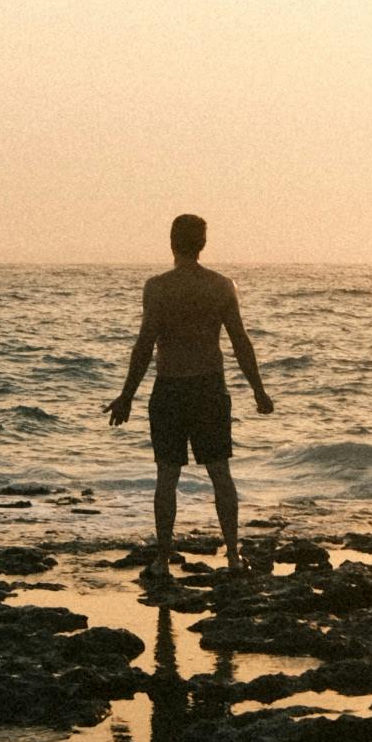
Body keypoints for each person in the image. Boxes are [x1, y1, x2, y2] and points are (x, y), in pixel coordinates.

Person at [107, 214, 274, 578]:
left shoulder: (158, 288)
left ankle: (162, 560)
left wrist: (126, 396)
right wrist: (259, 390)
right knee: (220, 472)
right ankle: (232, 555)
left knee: (167, 476)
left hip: (170, 388)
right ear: (203, 244)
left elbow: (144, 345)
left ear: (171, 241)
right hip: (209, 387)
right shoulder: (222, 286)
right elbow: (240, 342)